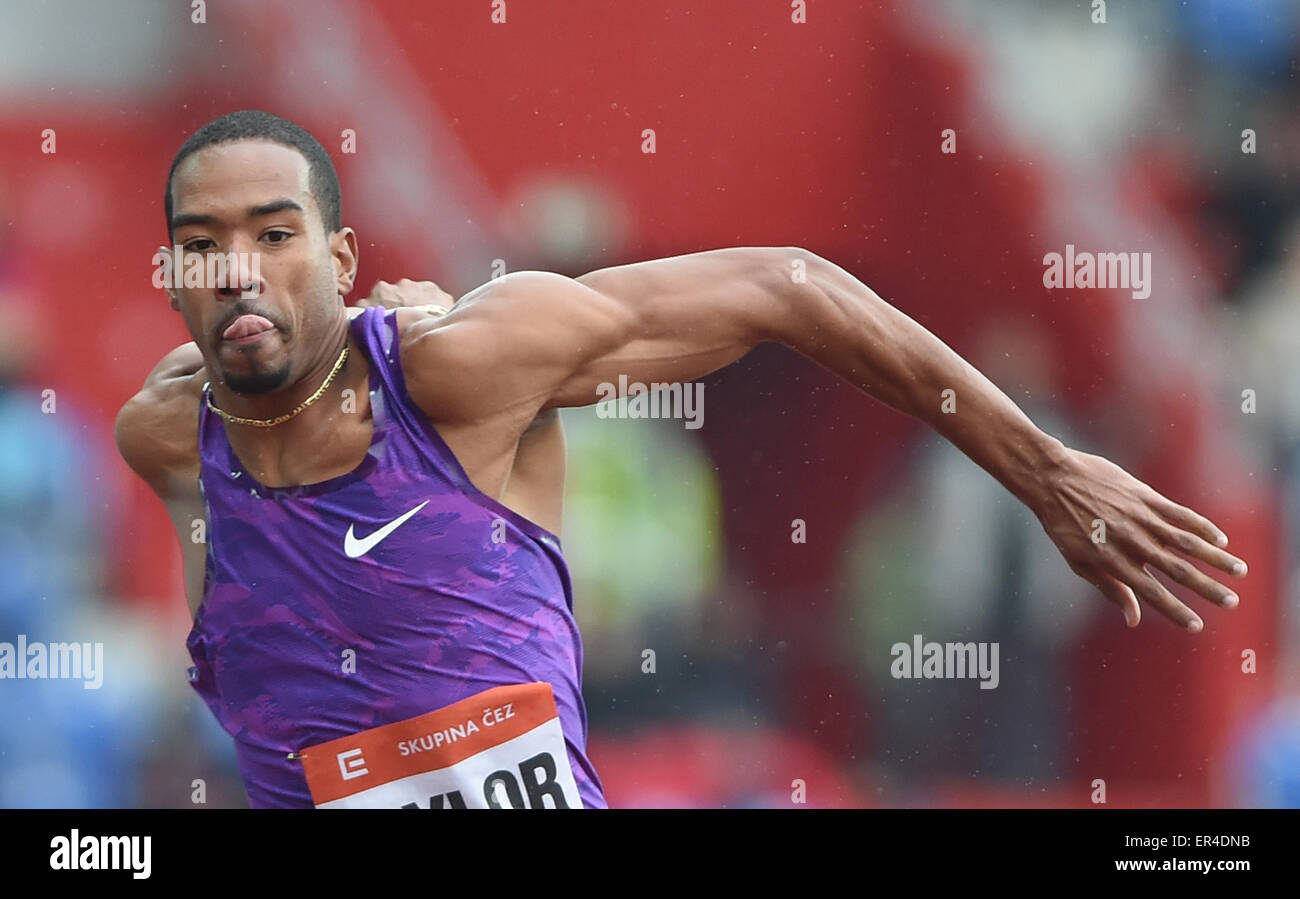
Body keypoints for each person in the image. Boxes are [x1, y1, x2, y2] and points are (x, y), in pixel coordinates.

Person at [115, 109, 1248, 809]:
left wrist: (1043, 468)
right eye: (203, 245)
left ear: (341, 255)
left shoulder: (460, 369)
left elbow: (784, 285)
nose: (239, 269)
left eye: (275, 233)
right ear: (168, 272)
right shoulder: (166, 440)